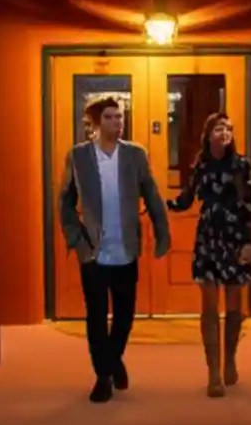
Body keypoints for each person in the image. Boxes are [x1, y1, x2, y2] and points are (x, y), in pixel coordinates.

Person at [59, 96, 171, 403]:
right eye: (109, 117)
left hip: (125, 250)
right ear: (95, 123)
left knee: (124, 315)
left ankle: (112, 359)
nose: (116, 123)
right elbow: (65, 203)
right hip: (93, 252)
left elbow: (152, 194)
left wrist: (163, 234)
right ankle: (103, 376)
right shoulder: (78, 156)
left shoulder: (135, 155)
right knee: (96, 317)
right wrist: (76, 241)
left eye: (119, 117)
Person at [166, 112, 251, 398]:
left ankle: (230, 359)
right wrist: (160, 204)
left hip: (235, 238)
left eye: (229, 128)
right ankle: (213, 374)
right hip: (207, 238)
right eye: (220, 128)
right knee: (208, 306)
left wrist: (249, 243)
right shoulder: (201, 164)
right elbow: (186, 199)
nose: (225, 132)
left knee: (233, 307)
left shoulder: (241, 164)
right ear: (208, 134)